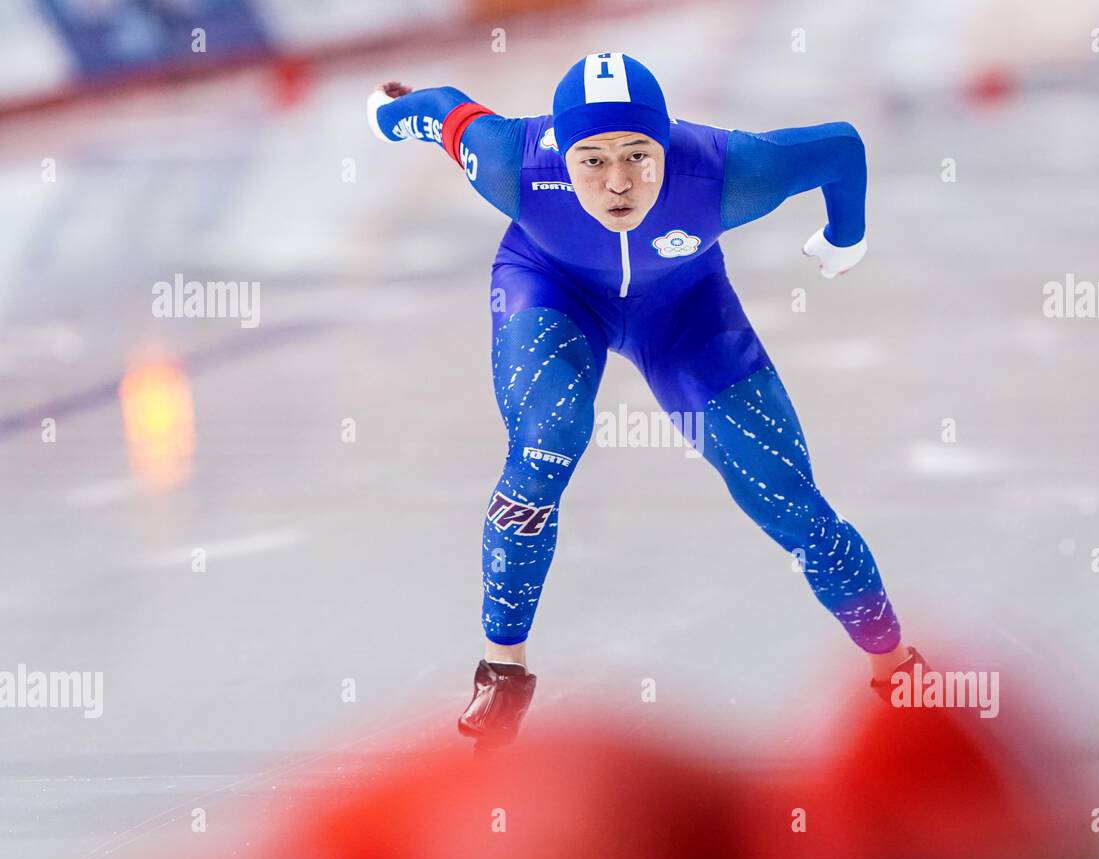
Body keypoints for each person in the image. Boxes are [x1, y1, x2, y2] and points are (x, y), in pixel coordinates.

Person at [367, 53, 926, 749]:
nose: (619, 181)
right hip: (552, 291)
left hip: (682, 306)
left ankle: (897, 669)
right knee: (547, 441)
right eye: (592, 160)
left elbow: (842, 147)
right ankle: (501, 670)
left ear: (668, 143)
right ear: (560, 155)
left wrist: (849, 236)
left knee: (787, 496)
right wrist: (388, 114)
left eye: (639, 154)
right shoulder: (510, 162)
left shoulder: (727, 171)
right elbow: (442, 109)